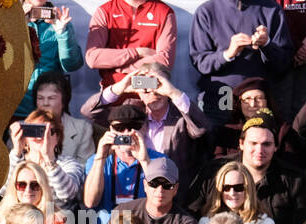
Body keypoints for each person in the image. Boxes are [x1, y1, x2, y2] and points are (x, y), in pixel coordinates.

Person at [189, 0, 289, 125]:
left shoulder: (270, 9)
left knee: (260, 141)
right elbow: (200, 63)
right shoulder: (206, 12)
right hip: (222, 93)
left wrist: (267, 45)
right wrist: (227, 53)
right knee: (220, 141)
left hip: (258, 94)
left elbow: (284, 63)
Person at [83, 61, 210, 191]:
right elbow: (90, 111)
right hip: (135, 191)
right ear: (138, 91)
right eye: (146, 87)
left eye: (158, 85)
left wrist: (173, 93)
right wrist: (119, 88)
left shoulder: (182, 115)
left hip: (172, 194)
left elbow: (201, 128)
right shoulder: (132, 110)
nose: (153, 92)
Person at [189, 114, 306, 224]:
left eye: (266, 144)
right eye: (253, 143)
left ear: (276, 146)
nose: (259, 150)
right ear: (241, 143)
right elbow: (191, 213)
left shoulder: (293, 179)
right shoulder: (214, 171)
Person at [85, 0, 176, 91]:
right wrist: (137, 53)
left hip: (148, 95)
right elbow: (93, 58)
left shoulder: (164, 12)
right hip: (112, 94)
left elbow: (164, 61)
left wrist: (118, 67)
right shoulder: (105, 11)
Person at [14, 0, 83, 120]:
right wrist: (17, 23)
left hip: (50, 108)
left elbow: (72, 64)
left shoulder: (59, 21)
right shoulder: (10, 17)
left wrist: (62, 32)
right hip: (16, 105)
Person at [83, 104, 165, 215]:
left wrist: (145, 161)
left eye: (133, 126)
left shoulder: (160, 160)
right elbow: (90, 202)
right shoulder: (96, 160)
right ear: (111, 129)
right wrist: (100, 159)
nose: (126, 132)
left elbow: (163, 201)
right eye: (119, 128)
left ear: (145, 128)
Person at [6, 109, 84, 215]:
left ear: (58, 137)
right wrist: (16, 151)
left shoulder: (68, 163)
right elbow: (3, 191)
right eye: (34, 131)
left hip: (57, 221)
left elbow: (67, 194)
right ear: (24, 136)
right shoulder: (16, 161)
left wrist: (49, 160)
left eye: (47, 131)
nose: (40, 137)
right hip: (19, 218)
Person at [33, 72, 94, 169]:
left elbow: (85, 168)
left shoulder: (82, 128)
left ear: (64, 101)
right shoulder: (23, 127)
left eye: (51, 98)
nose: (45, 103)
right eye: (40, 98)